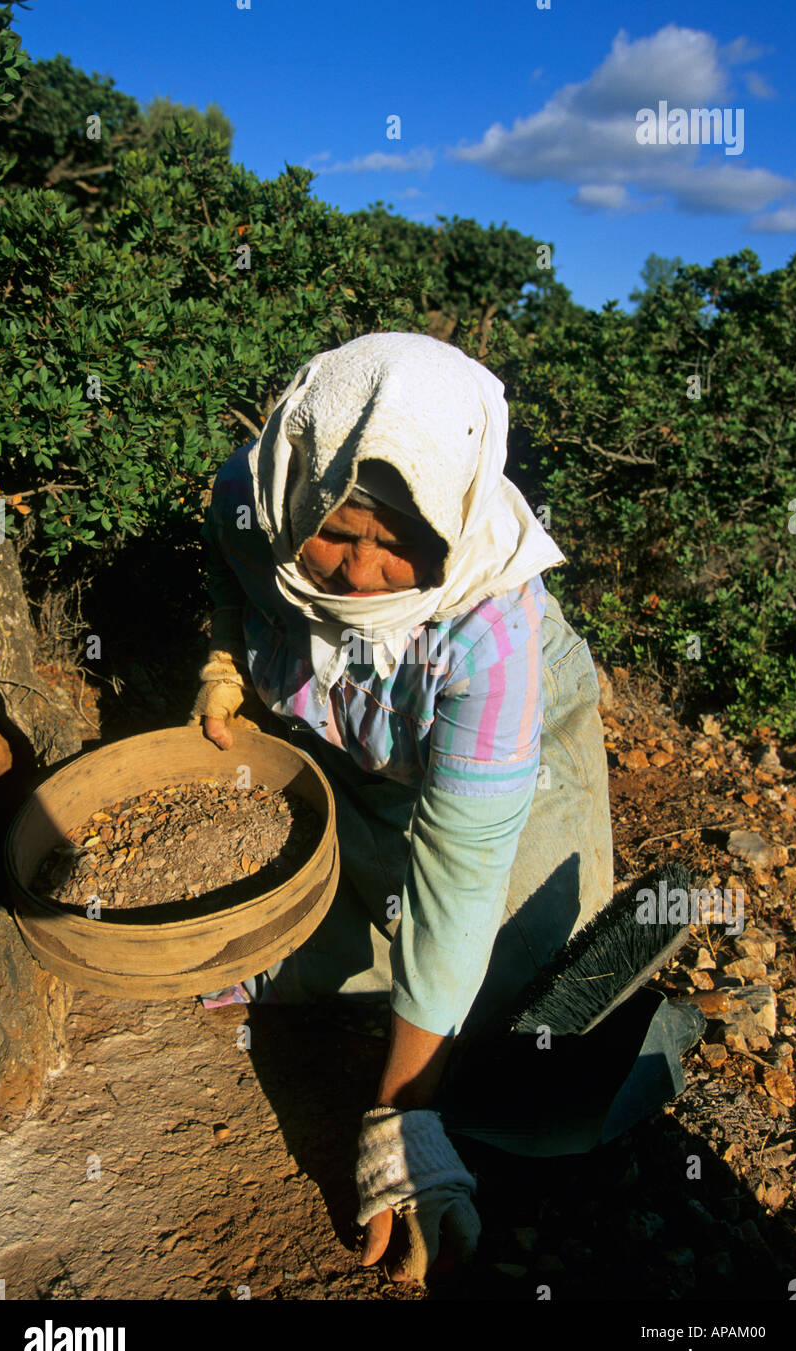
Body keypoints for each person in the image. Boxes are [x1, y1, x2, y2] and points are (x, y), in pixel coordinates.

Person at [189, 331, 614, 1282]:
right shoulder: (250, 497)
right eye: (335, 529)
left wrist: (402, 1119)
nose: (356, 572)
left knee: (518, 973)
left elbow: (462, 870)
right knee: (365, 904)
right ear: (296, 487)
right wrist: (225, 658)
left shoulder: (490, 632)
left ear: (452, 528)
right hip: (363, 733)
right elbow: (229, 568)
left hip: (506, 732)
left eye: (399, 544)